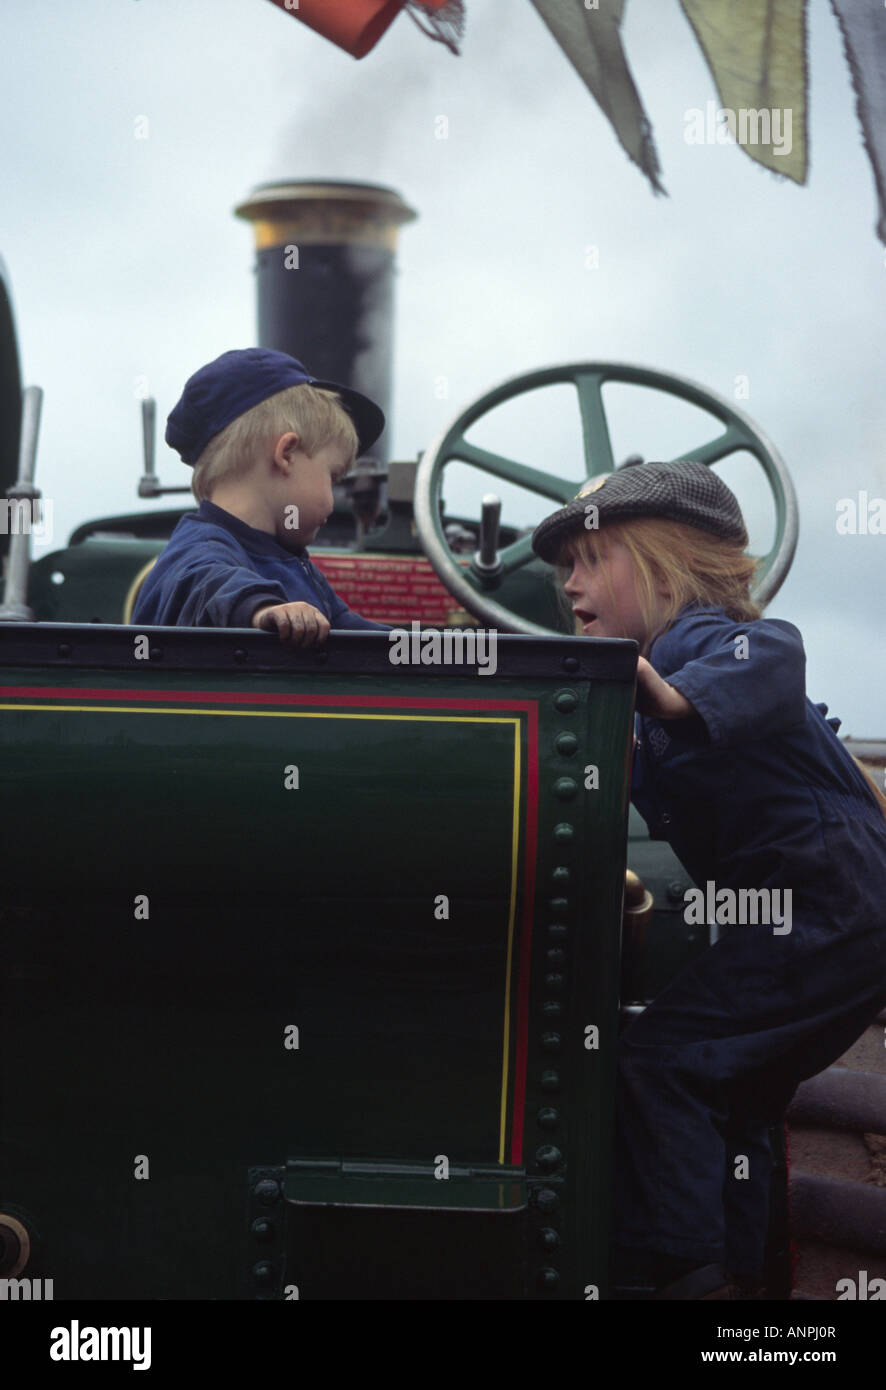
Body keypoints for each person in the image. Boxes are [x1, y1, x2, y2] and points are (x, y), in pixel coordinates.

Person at [532, 459, 886, 1300]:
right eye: (563, 572)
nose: (571, 586)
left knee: (662, 1063)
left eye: (591, 560)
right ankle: (749, 1290)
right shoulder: (653, 683)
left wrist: (660, 696)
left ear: (667, 564)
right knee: (739, 1099)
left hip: (822, 901)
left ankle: (686, 1279)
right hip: (832, 914)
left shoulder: (704, 642)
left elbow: (767, 654)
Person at [132, 348, 390, 642]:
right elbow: (210, 587)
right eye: (332, 477)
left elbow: (347, 628)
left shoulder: (295, 563)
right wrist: (263, 610)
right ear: (287, 454)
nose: (332, 502)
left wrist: (426, 648)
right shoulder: (198, 551)